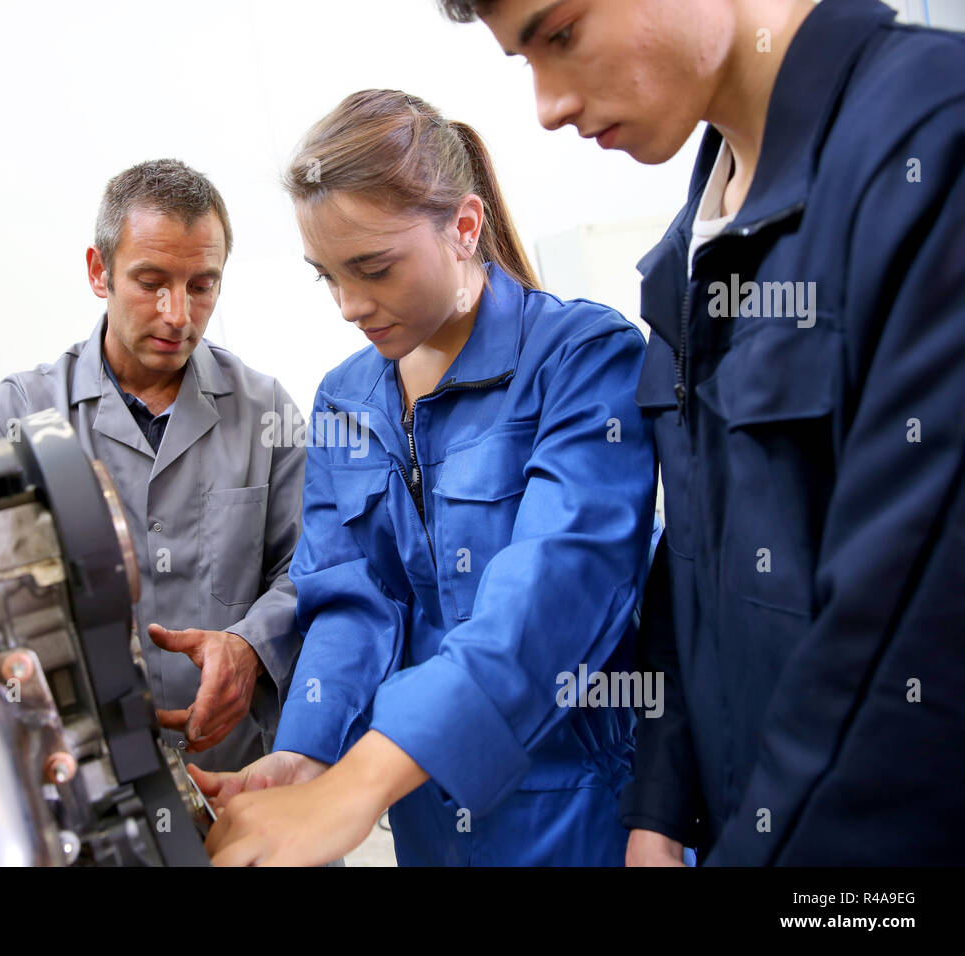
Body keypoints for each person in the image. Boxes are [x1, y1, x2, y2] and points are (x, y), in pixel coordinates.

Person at [438, 0, 965, 864]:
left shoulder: (928, 150)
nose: (547, 105)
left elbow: (907, 662)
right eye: (523, 60)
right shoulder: (695, 246)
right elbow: (698, 566)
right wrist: (661, 808)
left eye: (560, 34)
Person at [190, 89, 657, 866]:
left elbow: (553, 595)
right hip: (426, 818)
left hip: (574, 813)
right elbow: (350, 599)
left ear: (464, 226)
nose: (348, 305)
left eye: (372, 269)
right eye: (326, 277)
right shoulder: (347, 396)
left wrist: (355, 788)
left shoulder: (581, 359)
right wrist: (309, 755)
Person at [0, 159, 306, 772]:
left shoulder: (265, 412)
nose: (178, 313)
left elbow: (313, 565)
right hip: (88, 768)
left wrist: (250, 645)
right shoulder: (13, 420)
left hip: (247, 766)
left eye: (201, 285)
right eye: (150, 281)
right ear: (100, 272)